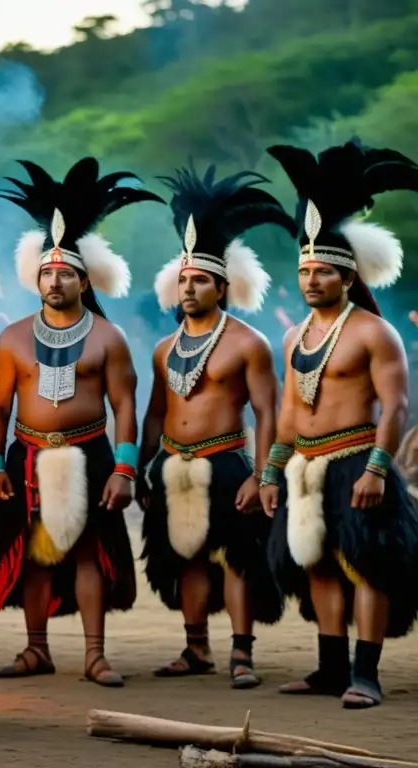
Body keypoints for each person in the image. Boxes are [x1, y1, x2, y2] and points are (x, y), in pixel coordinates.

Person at [0, 157, 161, 685]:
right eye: (47, 271)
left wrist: (125, 470)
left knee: (90, 552)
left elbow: (125, 407)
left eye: (65, 272)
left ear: (85, 280)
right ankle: (36, 649)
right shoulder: (12, 338)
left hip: (90, 454)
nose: (54, 279)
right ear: (35, 278)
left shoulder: (109, 338)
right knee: (34, 554)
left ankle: (94, 655)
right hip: (27, 454)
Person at [261, 138, 418, 709]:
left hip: (358, 460)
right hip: (303, 465)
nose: (311, 280)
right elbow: (287, 411)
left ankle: (366, 675)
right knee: (318, 563)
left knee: (368, 567)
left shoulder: (375, 333)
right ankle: (330, 668)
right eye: (305, 271)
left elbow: (396, 406)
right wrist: (272, 472)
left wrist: (378, 468)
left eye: (323, 271)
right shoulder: (291, 336)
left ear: (348, 276)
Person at [138, 163, 293, 687]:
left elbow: (269, 412)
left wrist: (264, 475)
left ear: (221, 287)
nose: (188, 288)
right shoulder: (163, 349)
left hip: (227, 461)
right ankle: (195, 648)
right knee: (187, 558)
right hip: (172, 464)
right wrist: (141, 465)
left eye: (199, 280)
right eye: (183, 280)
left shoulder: (248, 343)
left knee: (235, 560)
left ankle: (242, 655)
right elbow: (156, 412)